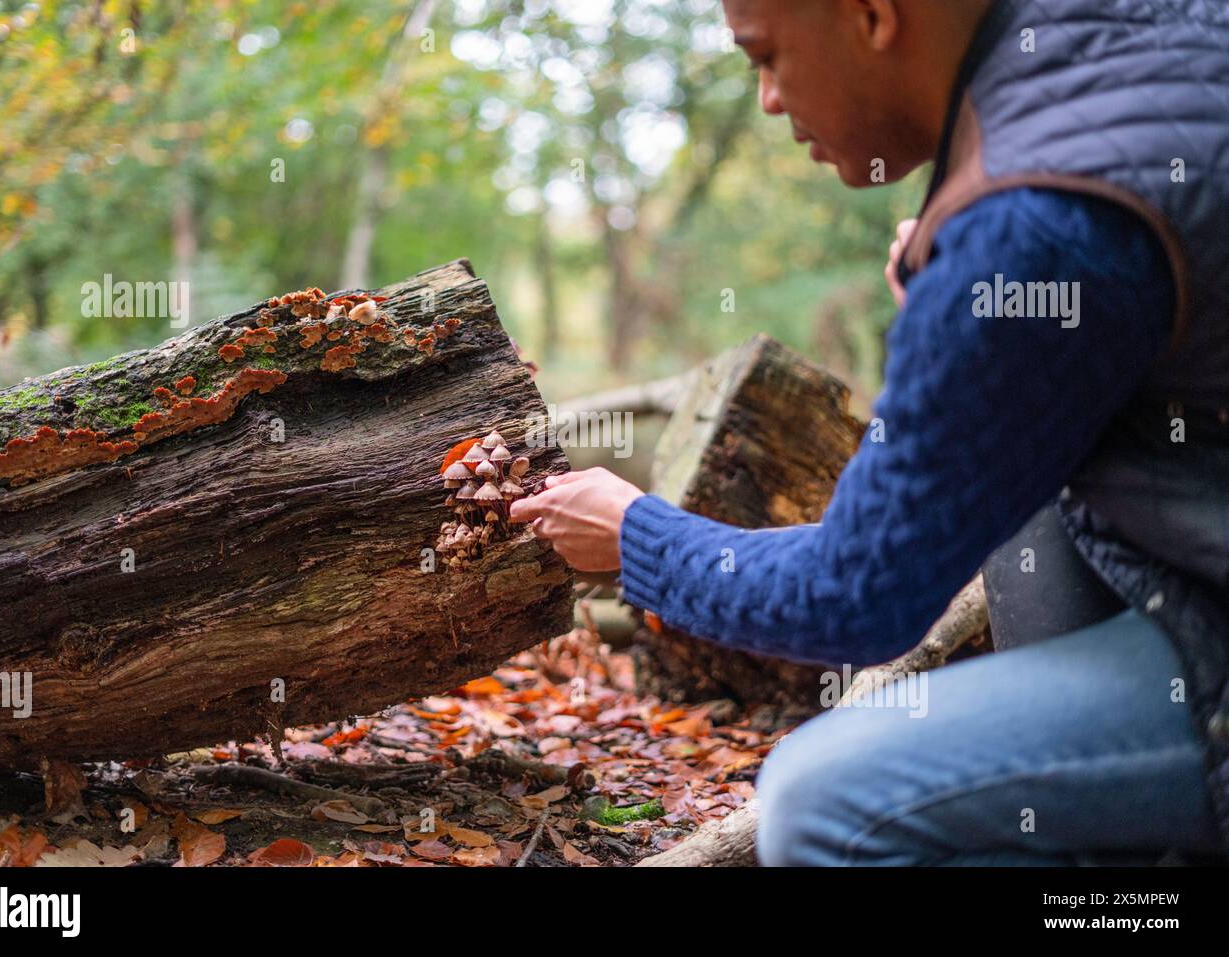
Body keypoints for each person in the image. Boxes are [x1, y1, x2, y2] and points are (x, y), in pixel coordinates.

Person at [510, 0, 1229, 865]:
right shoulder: (1120, 44)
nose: (770, 100)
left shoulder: (1031, 220)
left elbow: (854, 595)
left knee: (822, 800)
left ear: (873, 15)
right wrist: (971, 321)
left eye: (767, 57)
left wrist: (633, 537)